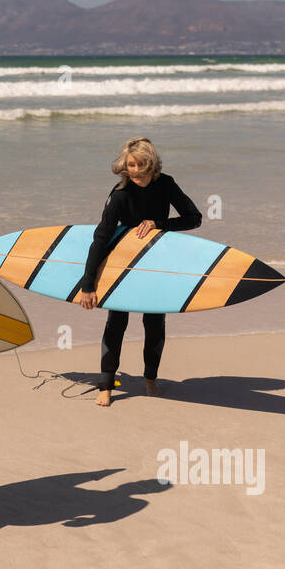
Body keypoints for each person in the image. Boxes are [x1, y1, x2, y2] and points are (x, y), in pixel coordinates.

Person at [76, 138, 201, 406]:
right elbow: (101, 238)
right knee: (116, 322)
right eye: (131, 165)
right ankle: (106, 385)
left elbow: (194, 217)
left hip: (156, 263)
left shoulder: (165, 184)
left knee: (154, 323)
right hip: (124, 266)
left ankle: (150, 380)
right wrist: (88, 285)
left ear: (151, 164)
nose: (135, 170)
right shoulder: (120, 194)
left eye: (140, 164)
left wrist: (158, 223)